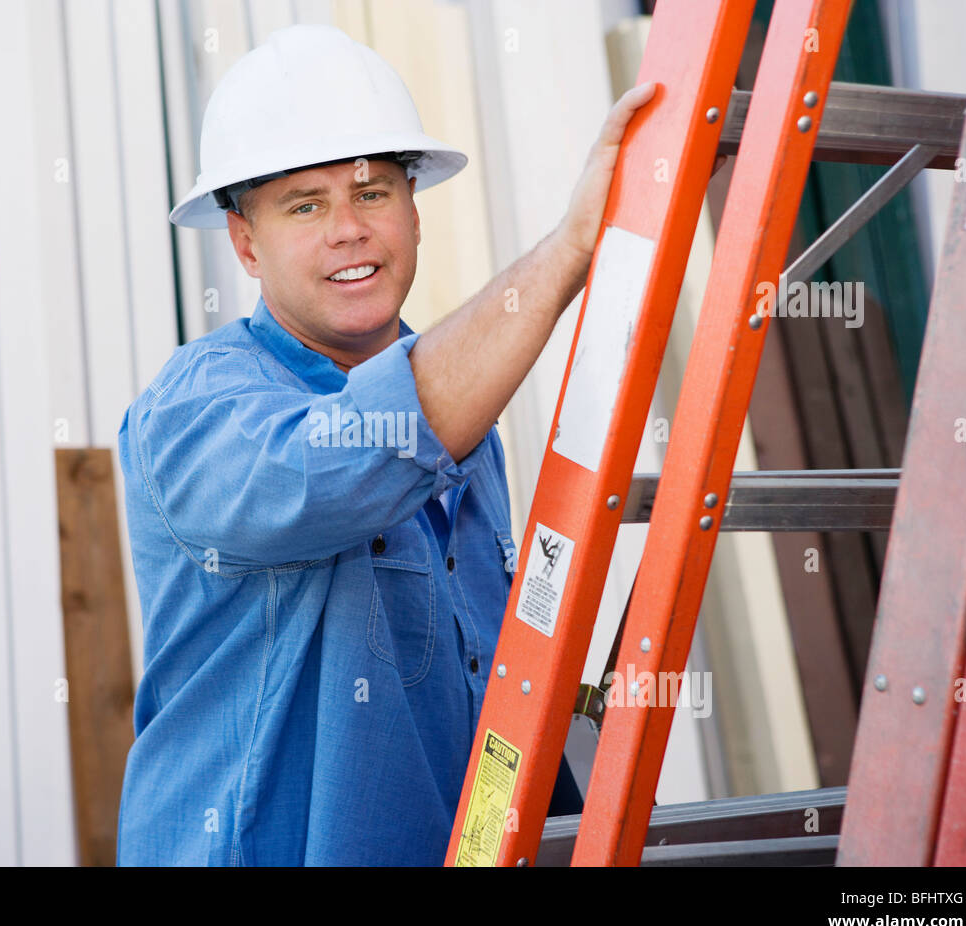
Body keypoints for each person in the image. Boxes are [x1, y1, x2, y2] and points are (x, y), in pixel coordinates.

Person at [116, 23, 656, 866]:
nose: (349, 230)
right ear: (245, 243)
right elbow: (336, 464)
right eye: (305, 205)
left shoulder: (465, 431)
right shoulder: (195, 413)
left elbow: (494, 690)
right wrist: (566, 254)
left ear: (412, 208)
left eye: (372, 194)